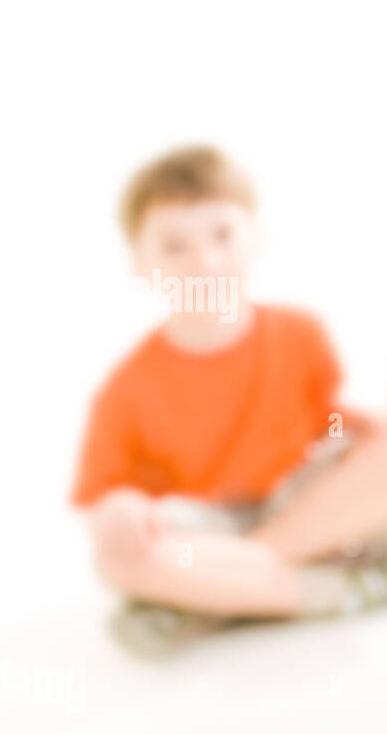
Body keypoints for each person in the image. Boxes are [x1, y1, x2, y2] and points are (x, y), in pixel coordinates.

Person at [72, 145, 387, 643]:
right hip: (205, 537)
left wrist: (349, 424)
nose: (205, 260)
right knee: (123, 555)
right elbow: (105, 501)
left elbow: (329, 421)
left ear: (255, 238)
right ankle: (331, 588)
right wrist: (120, 509)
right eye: (175, 246)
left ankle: (233, 591)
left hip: (300, 507)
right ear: (140, 265)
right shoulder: (125, 389)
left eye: (222, 234)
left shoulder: (301, 334)